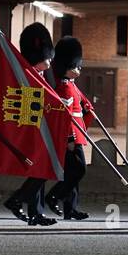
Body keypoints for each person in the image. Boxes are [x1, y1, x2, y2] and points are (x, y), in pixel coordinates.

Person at [2, 23, 58, 226]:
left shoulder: (44, 75)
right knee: (43, 170)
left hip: (46, 129)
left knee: (42, 170)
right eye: (47, 56)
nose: (50, 60)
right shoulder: (25, 76)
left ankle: (35, 211)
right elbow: (27, 107)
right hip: (34, 129)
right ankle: (18, 200)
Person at [44, 36, 93, 221]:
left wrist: (88, 107)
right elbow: (64, 115)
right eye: (75, 66)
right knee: (78, 170)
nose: (78, 69)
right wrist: (70, 138)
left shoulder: (70, 84)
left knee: (74, 173)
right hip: (72, 134)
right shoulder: (63, 87)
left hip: (78, 133)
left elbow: (82, 101)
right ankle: (55, 196)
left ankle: (71, 208)